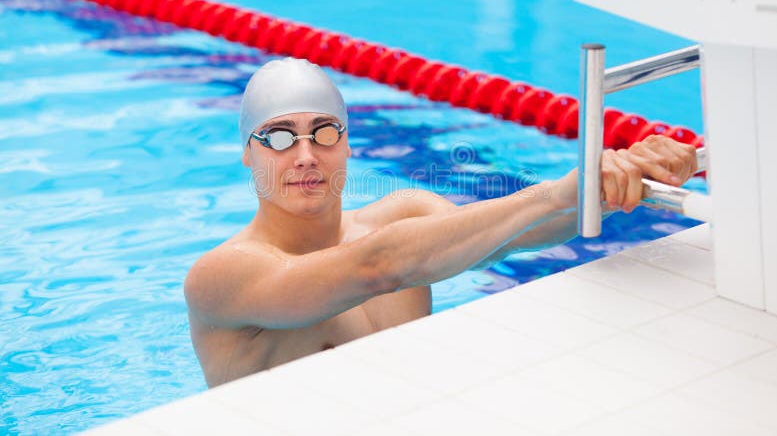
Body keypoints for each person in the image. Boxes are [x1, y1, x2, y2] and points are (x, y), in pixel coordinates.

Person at [184, 57, 698, 387]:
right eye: (277, 137)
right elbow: (377, 267)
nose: (304, 155)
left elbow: (510, 234)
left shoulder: (407, 214)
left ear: (346, 143)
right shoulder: (222, 276)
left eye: (323, 131)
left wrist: (616, 178)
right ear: (247, 154)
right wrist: (559, 189)